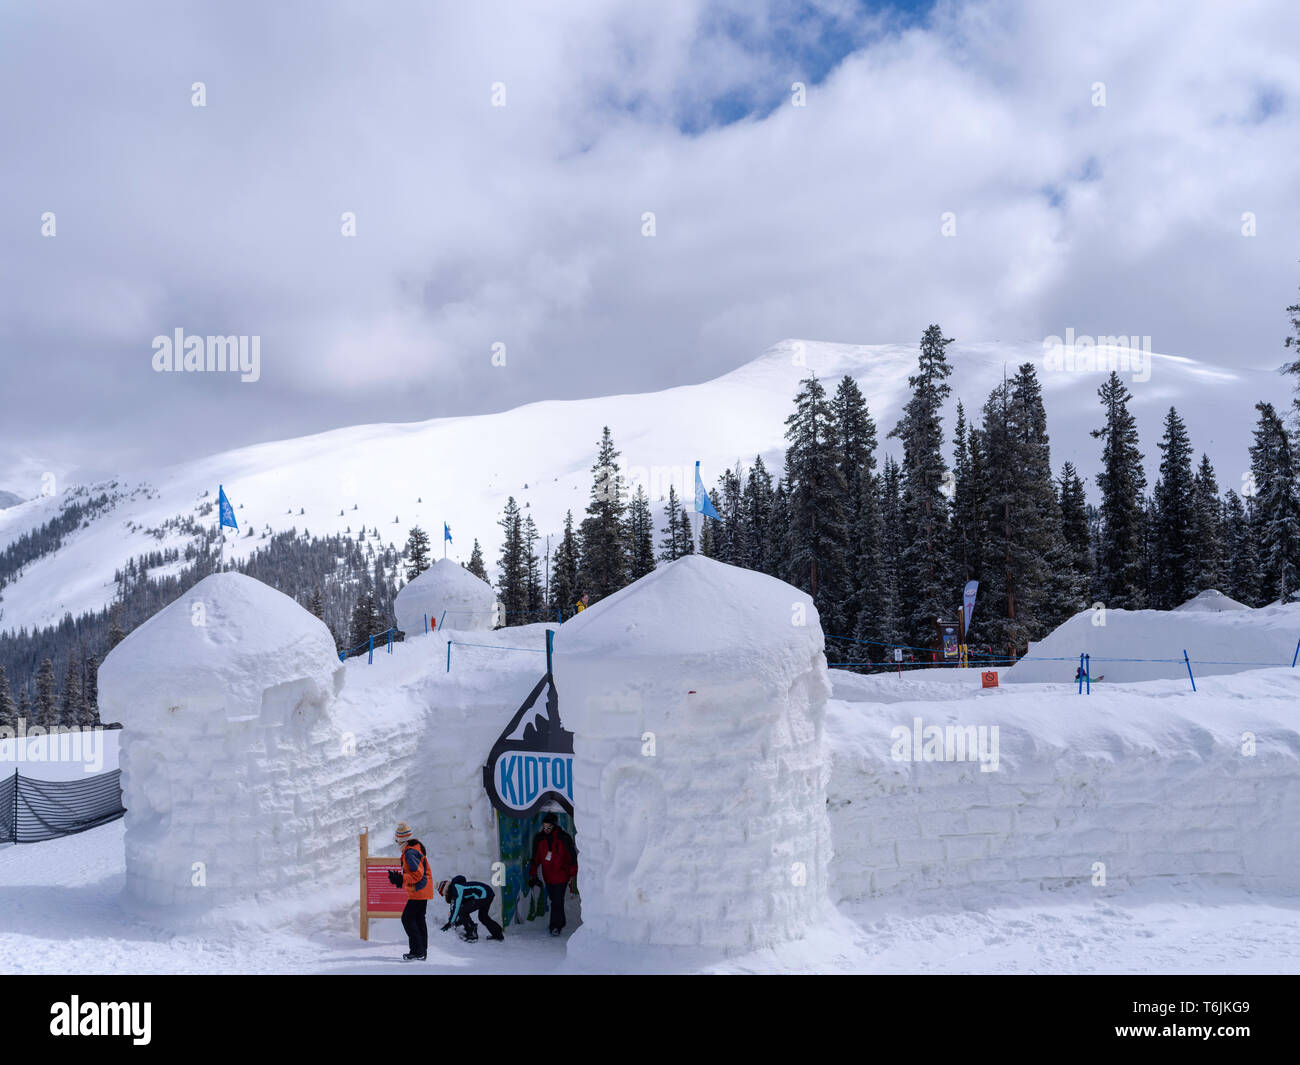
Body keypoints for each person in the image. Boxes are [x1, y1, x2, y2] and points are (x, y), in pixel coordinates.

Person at [527, 812, 579, 937]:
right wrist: (532, 873)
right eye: (544, 827)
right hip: (548, 875)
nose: (546, 830)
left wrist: (572, 873)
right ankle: (560, 922)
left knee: (556, 900)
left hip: (561, 874)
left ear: (554, 826)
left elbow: (572, 856)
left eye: (549, 827)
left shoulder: (564, 838)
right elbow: (536, 858)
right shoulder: (539, 839)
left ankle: (555, 926)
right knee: (555, 900)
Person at [390, 821, 433, 961]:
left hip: (419, 890)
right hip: (422, 890)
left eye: (397, 840)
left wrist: (401, 878)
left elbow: (417, 874)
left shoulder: (410, 853)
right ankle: (421, 952)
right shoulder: (414, 848)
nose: (396, 843)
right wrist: (400, 879)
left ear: (401, 840)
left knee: (407, 918)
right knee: (419, 919)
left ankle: (417, 951)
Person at [436, 875, 505, 941]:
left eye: (444, 894)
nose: (446, 895)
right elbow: (458, 907)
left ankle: (472, 933)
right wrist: (457, 921)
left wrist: (449, 923)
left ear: (445, 890)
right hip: (487, 893)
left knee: (462, 911)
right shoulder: (458, 887)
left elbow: (456, 908)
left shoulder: (456, 888)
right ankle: (498, 934)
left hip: (483, 894)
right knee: (483, 917)